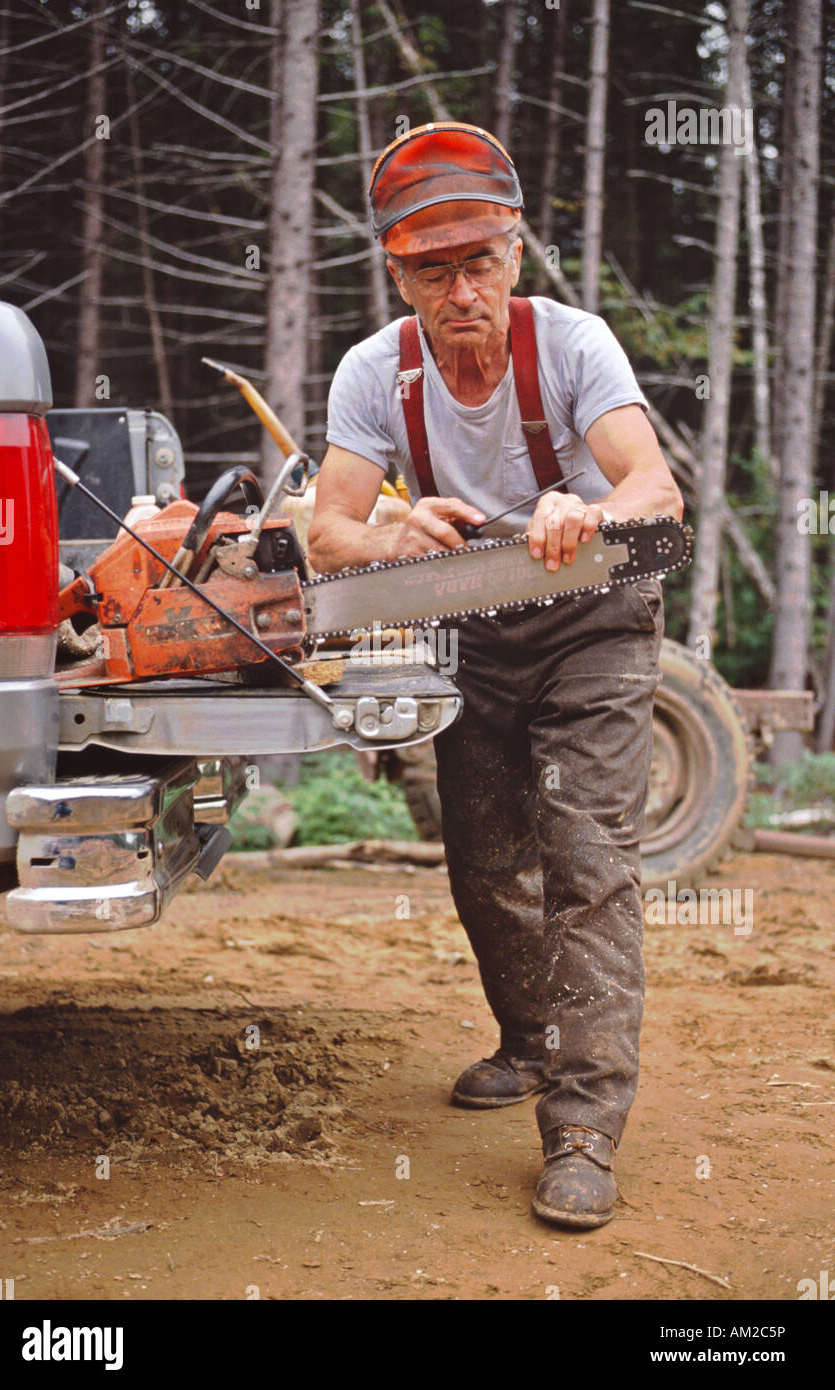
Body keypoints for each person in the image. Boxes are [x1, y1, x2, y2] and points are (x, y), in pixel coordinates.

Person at [307, 122, 683, 1229]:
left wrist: (586, 508)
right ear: (398, 272)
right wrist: (396, 529)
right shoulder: (374, 373)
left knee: (585, 857)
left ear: (514, 255)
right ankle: (529, 1042)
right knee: (482, 858)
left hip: (594, 620)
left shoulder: (573, 346)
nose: (460, 288)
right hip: (467, 623)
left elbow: (654, 494)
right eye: (433, 267)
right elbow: (328, 536)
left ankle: (580, 1128)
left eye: (480, 261)